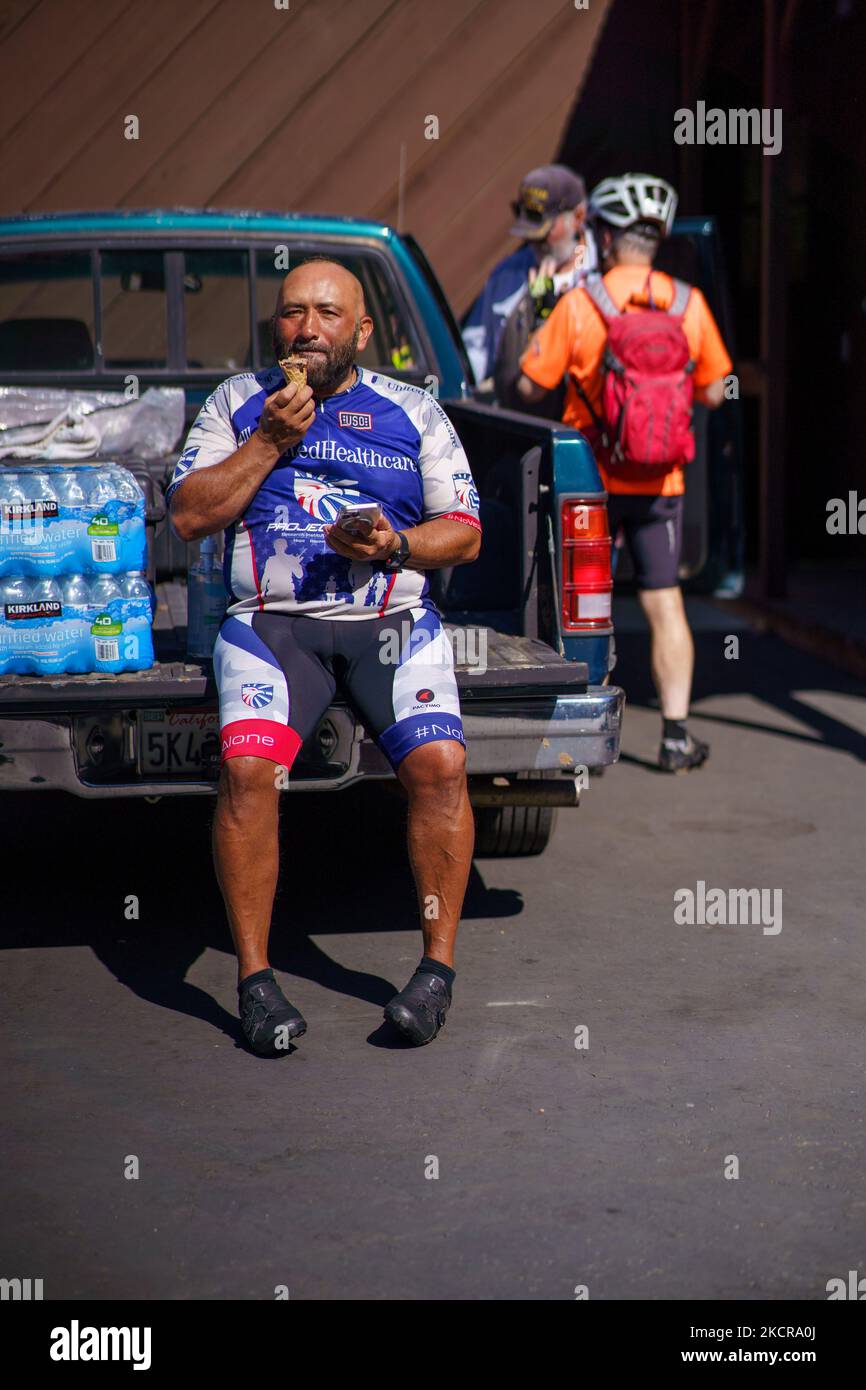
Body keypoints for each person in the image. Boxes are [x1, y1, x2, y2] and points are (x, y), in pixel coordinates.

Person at [169, 257, 482, 1053]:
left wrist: (397, 543)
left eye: (329, 314)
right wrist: (271, 442)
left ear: (363, 331)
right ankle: (255, 982)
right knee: (247, 773)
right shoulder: (239, 404)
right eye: (293, 312)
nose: (308, 328)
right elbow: (190, 517)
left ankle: (436, 973)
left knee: (441, 767)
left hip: (391, 618)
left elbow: (466, 532)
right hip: (275, 625)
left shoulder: (413, 410)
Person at [516, 173, 733, 772]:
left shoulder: (581, 305)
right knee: (665, 605)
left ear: (606, 238)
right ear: (657, 240)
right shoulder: (689, 305)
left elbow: (530, 383)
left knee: (580, 605)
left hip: (591, 485)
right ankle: (675, 736)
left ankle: (569, 730)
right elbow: (716, 391)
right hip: (662, 483)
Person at [462, 163, 597, 393]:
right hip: (517, 419)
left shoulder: (602, 274)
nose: (534, 241)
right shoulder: (507, 274)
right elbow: (475, 352)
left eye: (544, 232)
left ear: (578, 217)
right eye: (528, 232)